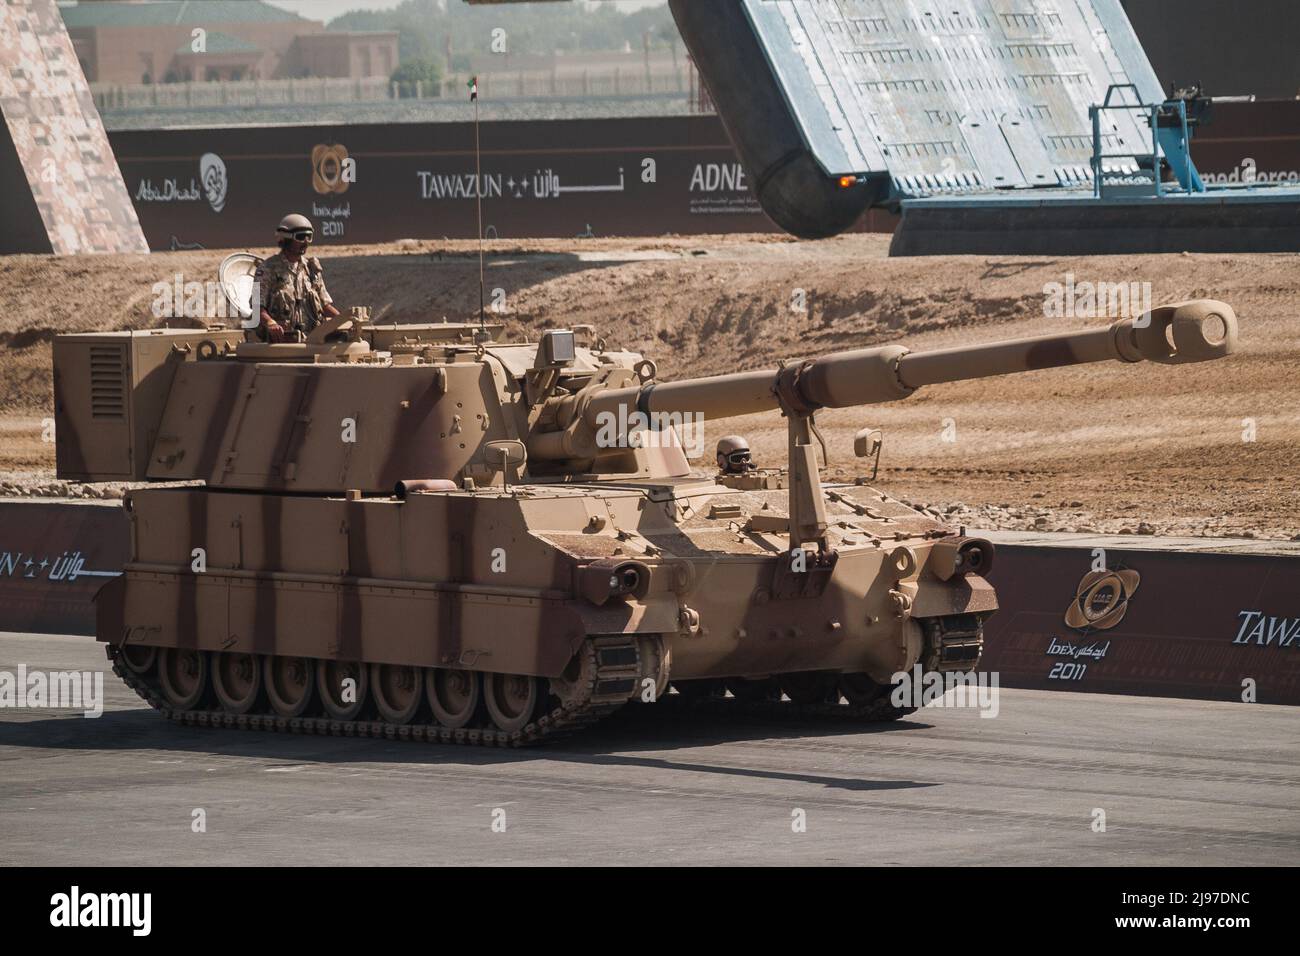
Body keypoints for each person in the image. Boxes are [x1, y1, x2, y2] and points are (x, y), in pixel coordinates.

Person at [254, 214, 340, 342]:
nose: (305, 242)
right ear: (285, 239)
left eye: (309, 237)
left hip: (313, 340)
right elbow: (256, 308)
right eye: (300, 237)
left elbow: (325, 305)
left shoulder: (311, 269)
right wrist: (271, 323)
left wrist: (344, 320)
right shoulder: (266, 269)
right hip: (282, 343)